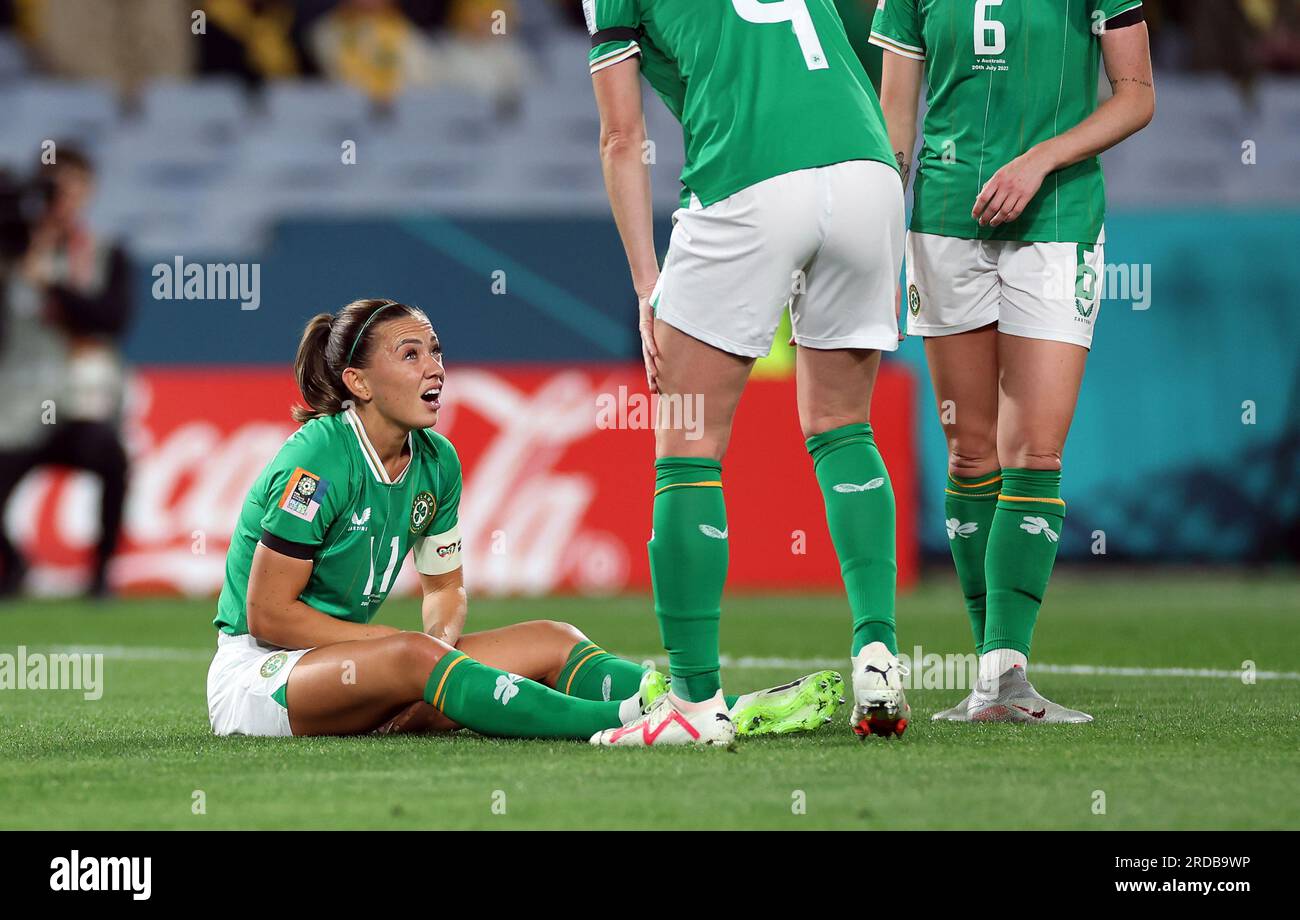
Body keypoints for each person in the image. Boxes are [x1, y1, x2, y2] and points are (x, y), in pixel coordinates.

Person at [207, 297, 844, 741]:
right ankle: (629, 723)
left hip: (354, 663)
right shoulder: (320, 455)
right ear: (359, 382)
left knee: (552, 637)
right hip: (261, 674)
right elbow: (270, 615)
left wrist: (441, 638)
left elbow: (444, 587)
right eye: (410, 355)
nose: (434, 367)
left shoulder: (438, 461)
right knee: (411, 659)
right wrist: (410, 654)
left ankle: (705, 706)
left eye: (435, 350)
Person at [584, 0, 910, 746]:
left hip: (750, 174)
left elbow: (621, 135)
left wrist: (646, 284)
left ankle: (694, 708)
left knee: (686, 445)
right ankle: (878, 651)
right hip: (866, 171)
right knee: (841, 425)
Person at [871, 0, 1155, 722]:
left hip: (1057, 222)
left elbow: (1137, 95)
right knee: (969, 453)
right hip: (943, 221)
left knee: (1034, 448)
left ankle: (1009, 674)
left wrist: (1041, 159)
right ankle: (989, 678)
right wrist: (873, 228)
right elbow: (895, 119)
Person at [0, 147, 132, 599]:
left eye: (74, 186)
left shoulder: (103, 253)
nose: (63, 198)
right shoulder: (12, 249)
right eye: (55, 186)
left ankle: (100, 577)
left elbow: (111, 317)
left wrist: (52, 287)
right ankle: (14, 564)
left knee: (112, 459)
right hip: (17, 405)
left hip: (78, 402)